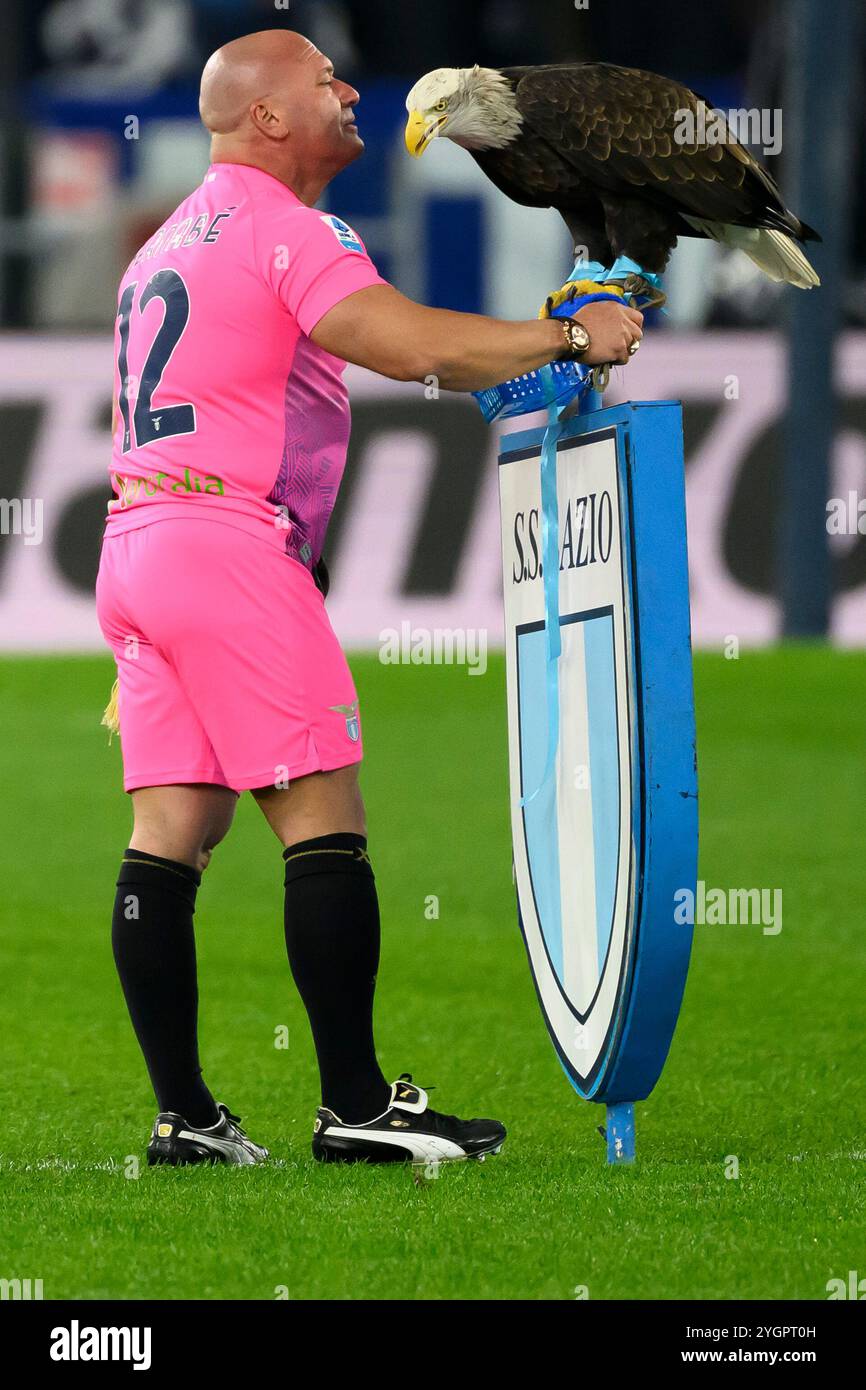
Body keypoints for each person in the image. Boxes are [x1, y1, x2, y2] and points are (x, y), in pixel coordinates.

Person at [97, 28, 643, 1167]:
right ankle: (353, 1100)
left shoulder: (159, 248)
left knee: (169, 835)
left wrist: (533, 365)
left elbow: (392, 368)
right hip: (230, 545)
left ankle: (185, 1116)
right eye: (323, 79)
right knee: (322, 819)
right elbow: (404, 346)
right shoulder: (282, 230)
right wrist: (568, 333)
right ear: (268, 119)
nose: (351, 93)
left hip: (140, 542)